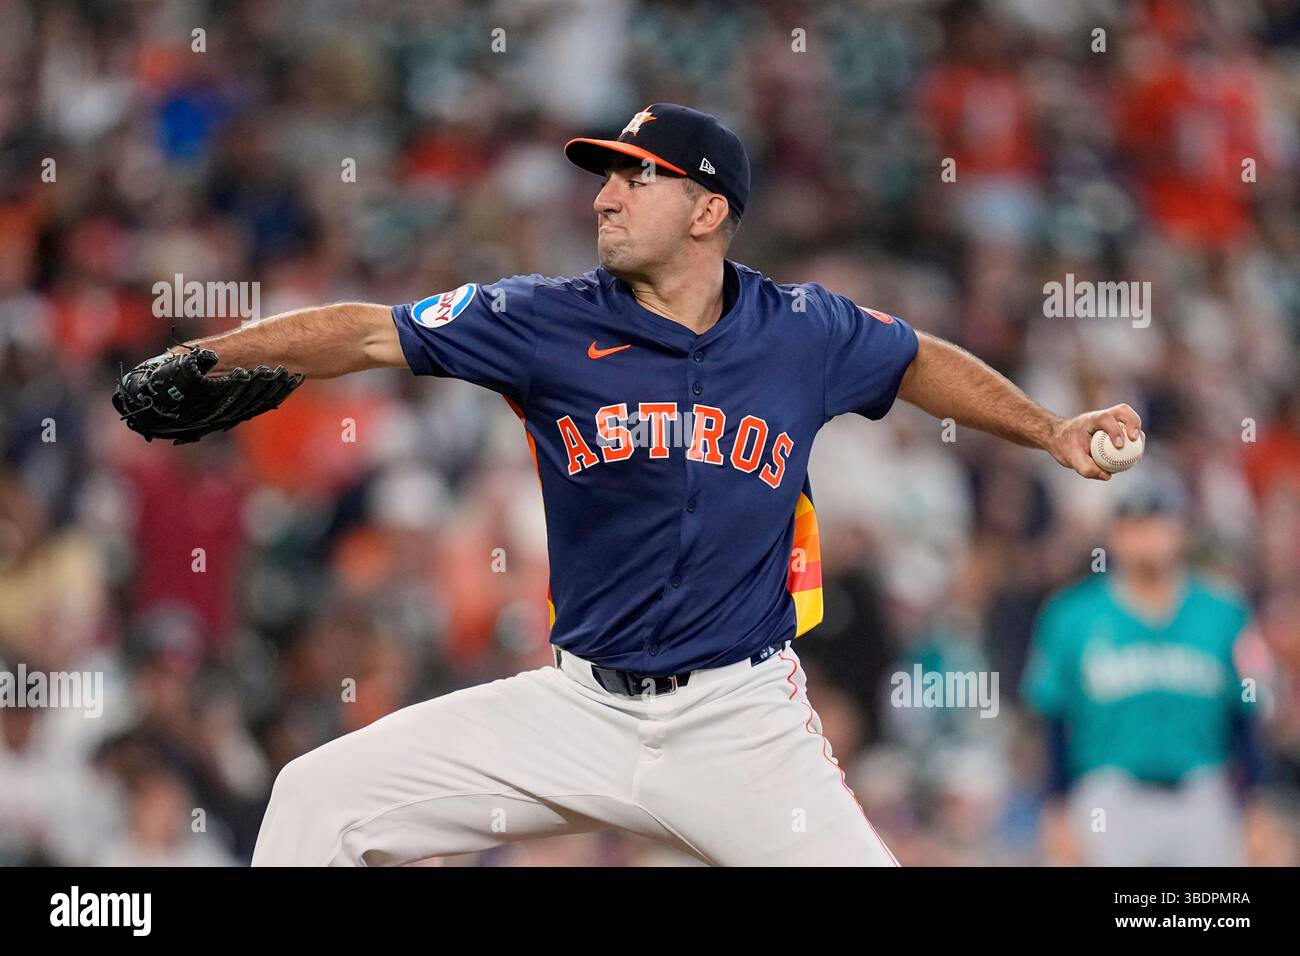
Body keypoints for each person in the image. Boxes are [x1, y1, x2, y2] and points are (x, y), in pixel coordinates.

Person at [135, 103, 1141, 866]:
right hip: (577, 708)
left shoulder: (803, 330)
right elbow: (367, 332)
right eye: (605, 176)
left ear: (709, 209)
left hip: (741, 721)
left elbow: (916, 360)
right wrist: (216, 354)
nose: (604, 196)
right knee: (315, 798)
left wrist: (1050, 430)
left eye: (636, 177)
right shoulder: (542, 319)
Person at [1023, 476, 1269, 866]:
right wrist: (1055, 808)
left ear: (1181, 530)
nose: (1146, 539)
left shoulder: (1225, 612)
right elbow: (1053, 720)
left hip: (1201, 792)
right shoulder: (1071, 614)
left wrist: (1255, 807)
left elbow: (1246, 716)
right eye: (1134, 527)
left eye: (1156, 524)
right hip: (1109, 795)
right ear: (1114, 535)